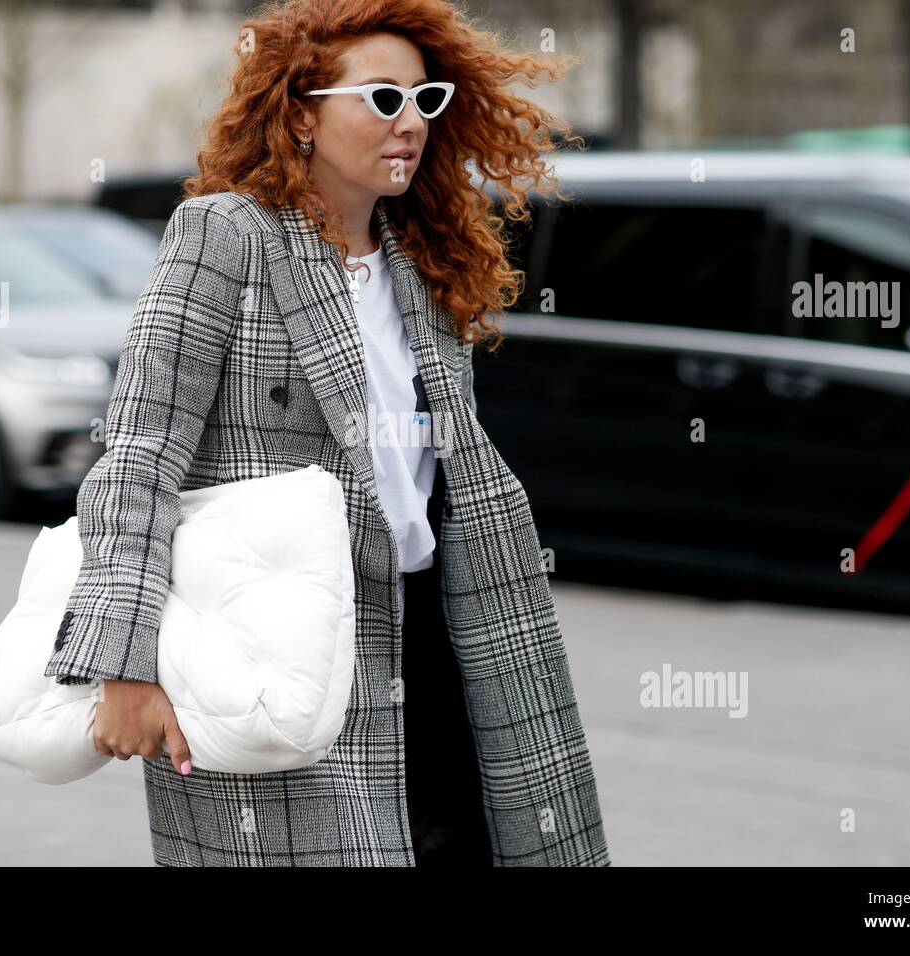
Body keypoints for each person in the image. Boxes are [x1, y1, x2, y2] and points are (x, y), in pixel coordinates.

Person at [45, 0, 610, 867]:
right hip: (289, 645)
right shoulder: (226, 235)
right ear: (302, 114)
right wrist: (124, 663)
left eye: (425, 100)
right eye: (383, 98)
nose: (410, 122)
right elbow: (142, 452)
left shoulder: (424, 261)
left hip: (441, 632)